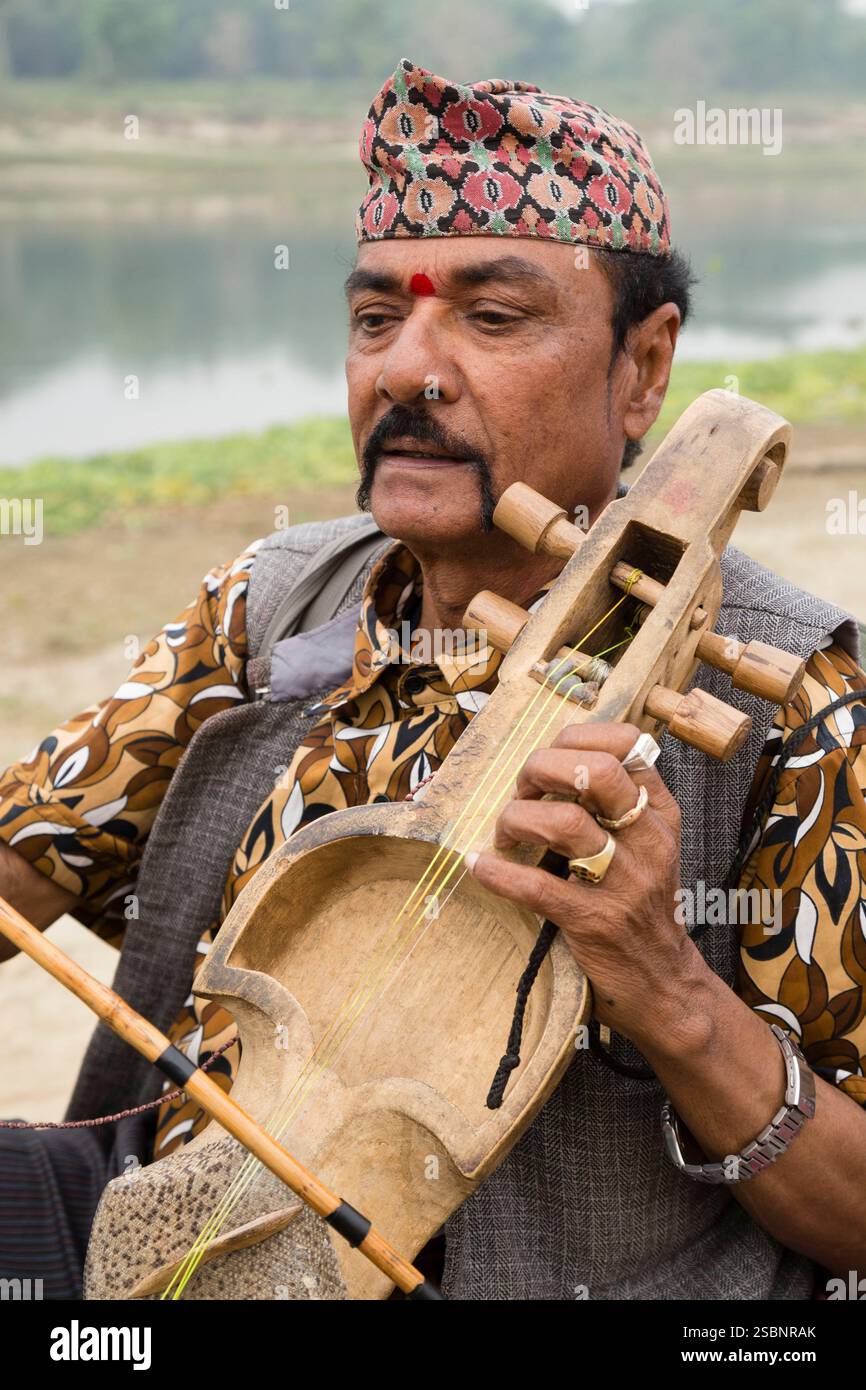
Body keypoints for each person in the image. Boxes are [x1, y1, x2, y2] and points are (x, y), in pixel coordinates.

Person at [1, 58, 864, 1300]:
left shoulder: (795, 706)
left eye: (491, 317)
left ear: (641, 366)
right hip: (175, 1227)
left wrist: (670, 987)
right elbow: (24, 856)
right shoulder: (271, 606)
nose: (405, 370)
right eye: (373, 320)